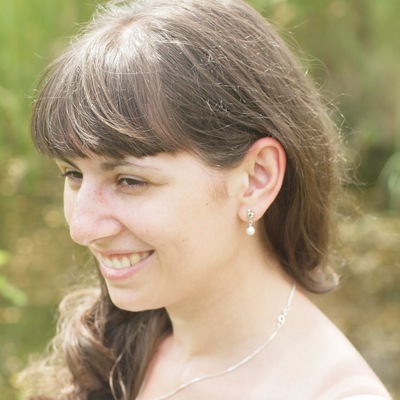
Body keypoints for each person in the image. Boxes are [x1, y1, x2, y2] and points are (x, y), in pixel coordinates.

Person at [20, 0, 392, 399]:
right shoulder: (113, 340)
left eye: (129, 180)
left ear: (256, 178)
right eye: (73, 174)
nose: (81, 228)